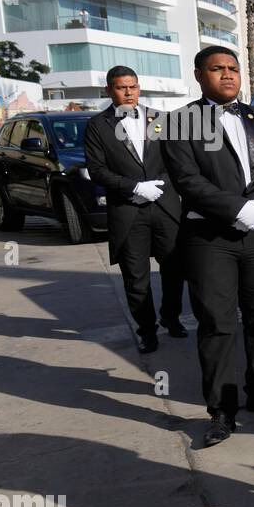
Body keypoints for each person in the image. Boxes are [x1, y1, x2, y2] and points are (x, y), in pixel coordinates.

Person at [160, 47, 254, 448]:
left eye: (233, 69)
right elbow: (186, 180)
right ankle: (222, 409)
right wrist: (236, 209)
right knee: (217, 322)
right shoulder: (181, 123)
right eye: (217, 69)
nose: (227, 75)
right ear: (199, 75)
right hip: (210, 239)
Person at [83, 65, 186, 353]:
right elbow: (97, 170)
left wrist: (158, 185)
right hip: (128, 211)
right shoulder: (97, 125)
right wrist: (134, 188)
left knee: (175, 269)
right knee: (136, 277)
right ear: (109, 90)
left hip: (164, 207)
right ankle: (147, 331)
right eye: (121, 87)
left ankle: (171, 317)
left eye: (133, 86)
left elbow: (176, 163)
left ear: (139, 88)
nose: (128, 92)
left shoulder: (160, 120)